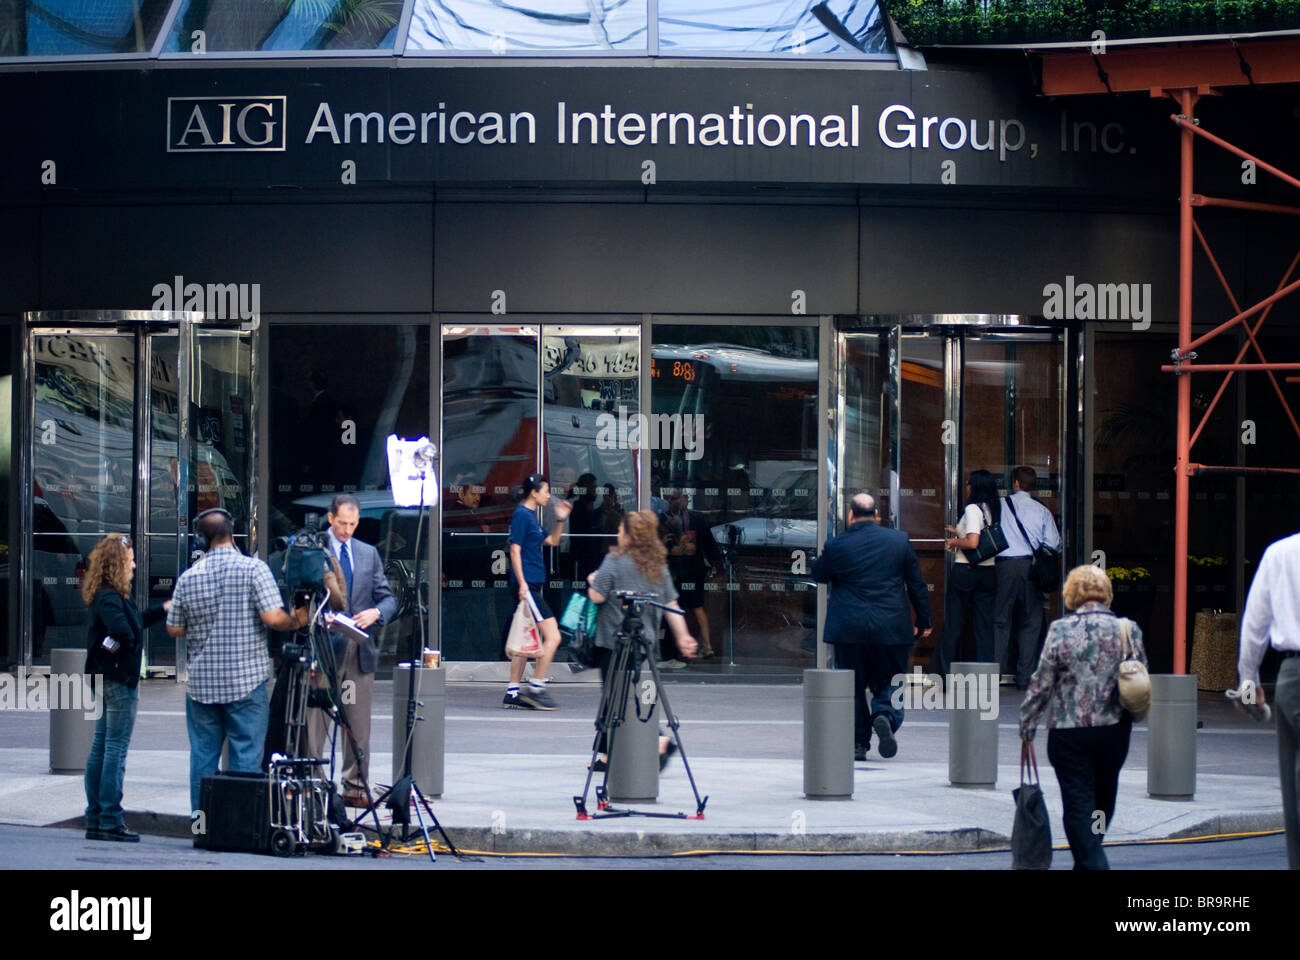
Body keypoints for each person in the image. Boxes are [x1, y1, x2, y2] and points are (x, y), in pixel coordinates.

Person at [167, 509, 307, 816]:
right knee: (246, 758)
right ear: (233, 533)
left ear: (201, 539)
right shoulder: (253, 569)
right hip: (246, 681)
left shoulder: (189, 577)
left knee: (202, 760)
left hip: (202, 685)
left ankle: (200, 826)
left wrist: (204, 624)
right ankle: (241, 827)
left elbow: (174, 628)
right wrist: (299, 618)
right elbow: (273, 618)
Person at [1020, 565, 1147, 870]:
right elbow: (1139, 675)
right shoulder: (1127, 629)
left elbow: (1042, 682)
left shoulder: (1060, 630)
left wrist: (1028, 724)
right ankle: (1090, 859)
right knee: (1103, 801)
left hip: (1068, 732)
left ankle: (1090, 862)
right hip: (1113, 729)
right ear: (1106, 593)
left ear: (1071, 594)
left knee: (1078, 803)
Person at [812, 492, 931, 761]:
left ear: (851, 515)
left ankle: (858, 743)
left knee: (852, 687)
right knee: (891, 681)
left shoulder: (837, 544)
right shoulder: (898, 541)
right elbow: (916, 585)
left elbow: (819, 575)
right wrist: (924, 620)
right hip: (890, 627)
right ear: (877, 514)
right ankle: (885, 715)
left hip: (849, 629)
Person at [306, 493, 398, 807]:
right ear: (331, 519)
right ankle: (313, 784)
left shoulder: (368, 553)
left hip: (357, 651)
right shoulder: (314, 548)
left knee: (357, 721)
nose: (347, 529)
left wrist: (377, 613)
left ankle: (355, 786)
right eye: (343, 523)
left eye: (353, 524)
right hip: (324, 647)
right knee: (316, 720)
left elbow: (387, 597)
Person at [587, 511, 698, 770]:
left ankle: (653, 741)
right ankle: (619, 750)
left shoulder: (614, 561)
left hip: (614, 643)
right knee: (638, 697)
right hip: (645, 645)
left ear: (629, 535)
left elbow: (596, 597)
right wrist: (684, 637)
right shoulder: (658, 567)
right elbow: (672, 604)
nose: (617, 534)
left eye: (620, 530)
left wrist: (592, 580)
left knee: (613, 696)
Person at [81, 535, 168, 843]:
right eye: (130, 558)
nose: (134, 563)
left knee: (102, 746)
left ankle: (95, 817)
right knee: (114, 748)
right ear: (118, 563)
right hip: (118, 679)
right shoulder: (109, 596)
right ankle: (109, 819)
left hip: (105, 678)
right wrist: (128, 645)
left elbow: (135, 621)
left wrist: (163, 609)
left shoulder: (109, 595)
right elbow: (123, 630)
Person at [1236, 527, 1300, 869]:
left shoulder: (1280, 553)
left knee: (1293, 792)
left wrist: (1248, 685)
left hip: (1293, 676)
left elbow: (1255, 625)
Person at [504, 473, 572, 710]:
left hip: (530, 585)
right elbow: (514, 550)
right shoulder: (522, 515)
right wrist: (522, 583)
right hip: (527, 586)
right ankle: (536, 687)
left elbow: (552, 541)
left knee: (525, 639)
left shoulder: (531, 516)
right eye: (545, 491)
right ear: (534, 492)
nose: (548, 495)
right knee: (553, 636)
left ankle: (512, 693)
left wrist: (561, 519)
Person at [995, 466, 1062, 688]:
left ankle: (996, 674)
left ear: (1015, 484)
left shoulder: (1000, 505)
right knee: (1031, 622)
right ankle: (1025, 677)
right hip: (1031, 569)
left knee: (1000, 621)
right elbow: (1053, 543)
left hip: (1004, 567)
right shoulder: (1041, 510)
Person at [935, 469, 1001, 678]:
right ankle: (986, 676)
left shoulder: (972, 508)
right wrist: (958, 531)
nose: (966, 487)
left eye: (968, 484)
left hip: (967, 571)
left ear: (975, 487)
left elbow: (973, 542)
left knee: (955, 623)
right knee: (984, 625)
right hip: (989, 572)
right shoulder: (991, 509)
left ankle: (944, 674)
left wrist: (954, 541)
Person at [663, 491, 722, 661]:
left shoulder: (695, 519)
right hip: (678, 570)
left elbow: (708, 544)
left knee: (694, 607)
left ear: (686, 500)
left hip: (690, 570)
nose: (673, 502)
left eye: (676, 498)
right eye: (670, 499)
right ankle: (697, 646)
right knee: (689, 607)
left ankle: (706, 646)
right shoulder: (667, 520)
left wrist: (716, 563)